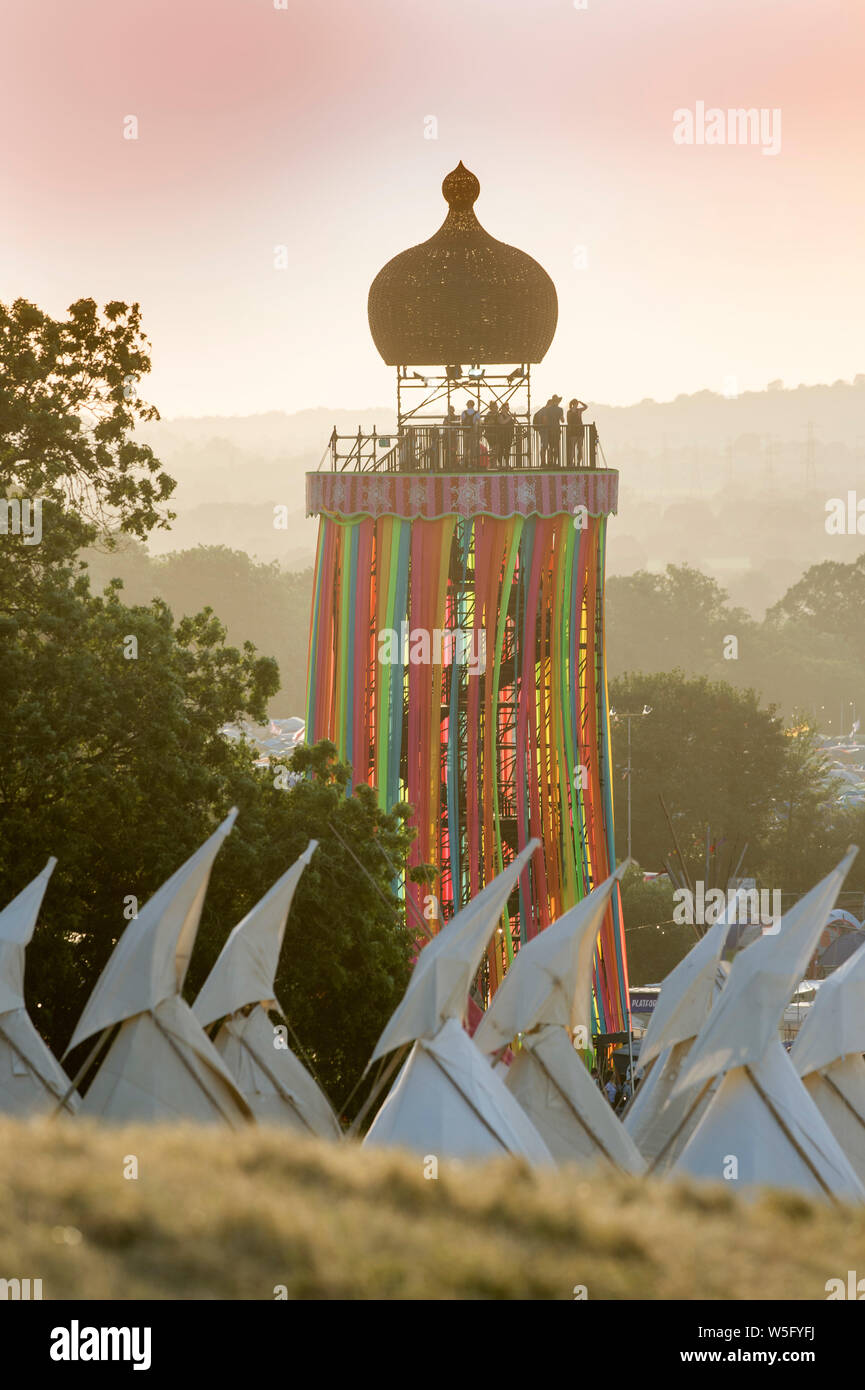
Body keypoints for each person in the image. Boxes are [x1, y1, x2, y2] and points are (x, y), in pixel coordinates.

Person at [567, 398, 588, 468]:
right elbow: (586, 407)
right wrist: (581, 402)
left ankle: (573, 463)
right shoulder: (578, 411)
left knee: (574, 447)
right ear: (575, 404)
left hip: (573, 430)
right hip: (579, 430)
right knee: (578, 448)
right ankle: (577, 462)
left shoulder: (569, 412)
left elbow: (568, 421)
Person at [461, 398, 480, 470]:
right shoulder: (476, 413)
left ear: (468, 405)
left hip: (465, 431)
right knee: (472, 448)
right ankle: (471, 463)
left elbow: (462, 421)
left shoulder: (464, 413)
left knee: (465, 447)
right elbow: (479, 422)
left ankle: (465, 462)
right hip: (473, 432)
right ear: (473, 405)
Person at [481, 401, 500, 471]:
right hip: (492, 435)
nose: (497, 408)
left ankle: (492, 464)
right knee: (495, 450)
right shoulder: (490, 415)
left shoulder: (494, 414)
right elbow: (487, 423)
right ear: (492, 407)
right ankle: (492, 464)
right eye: (496, 406)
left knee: (494, 450)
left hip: (493, 434)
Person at [546, 394, 564, 466]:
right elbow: (562, 420)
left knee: (550, 446)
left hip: (550, 430)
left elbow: (546, 419)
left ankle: (550, 461)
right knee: (556, 446)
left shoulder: (548, 409)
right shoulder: (560, 409)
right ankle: (555, 462)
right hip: (556, 429)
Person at [497, 401, 515, 466]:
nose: (508, 410)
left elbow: (512, 423)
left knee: (507, 450)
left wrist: (513, 418)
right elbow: (502, 422)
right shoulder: (500, 415)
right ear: (503, 408)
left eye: (508, 408)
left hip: (508, 435)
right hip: (501, 435)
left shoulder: (508, 415)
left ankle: (507, 463)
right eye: (506, 408)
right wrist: (510, 417)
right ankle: (500, 464)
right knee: (501, 450)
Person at [441, 404, 458, 471]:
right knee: (448, 451)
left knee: (452, 451)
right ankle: (448, 464)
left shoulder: (455, 417)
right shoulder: (447, 417)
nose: (449, 411)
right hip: (447, 436)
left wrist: (449, 423)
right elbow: (444, 424)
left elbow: (456, 425)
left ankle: (452, 464)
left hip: (452, 436)